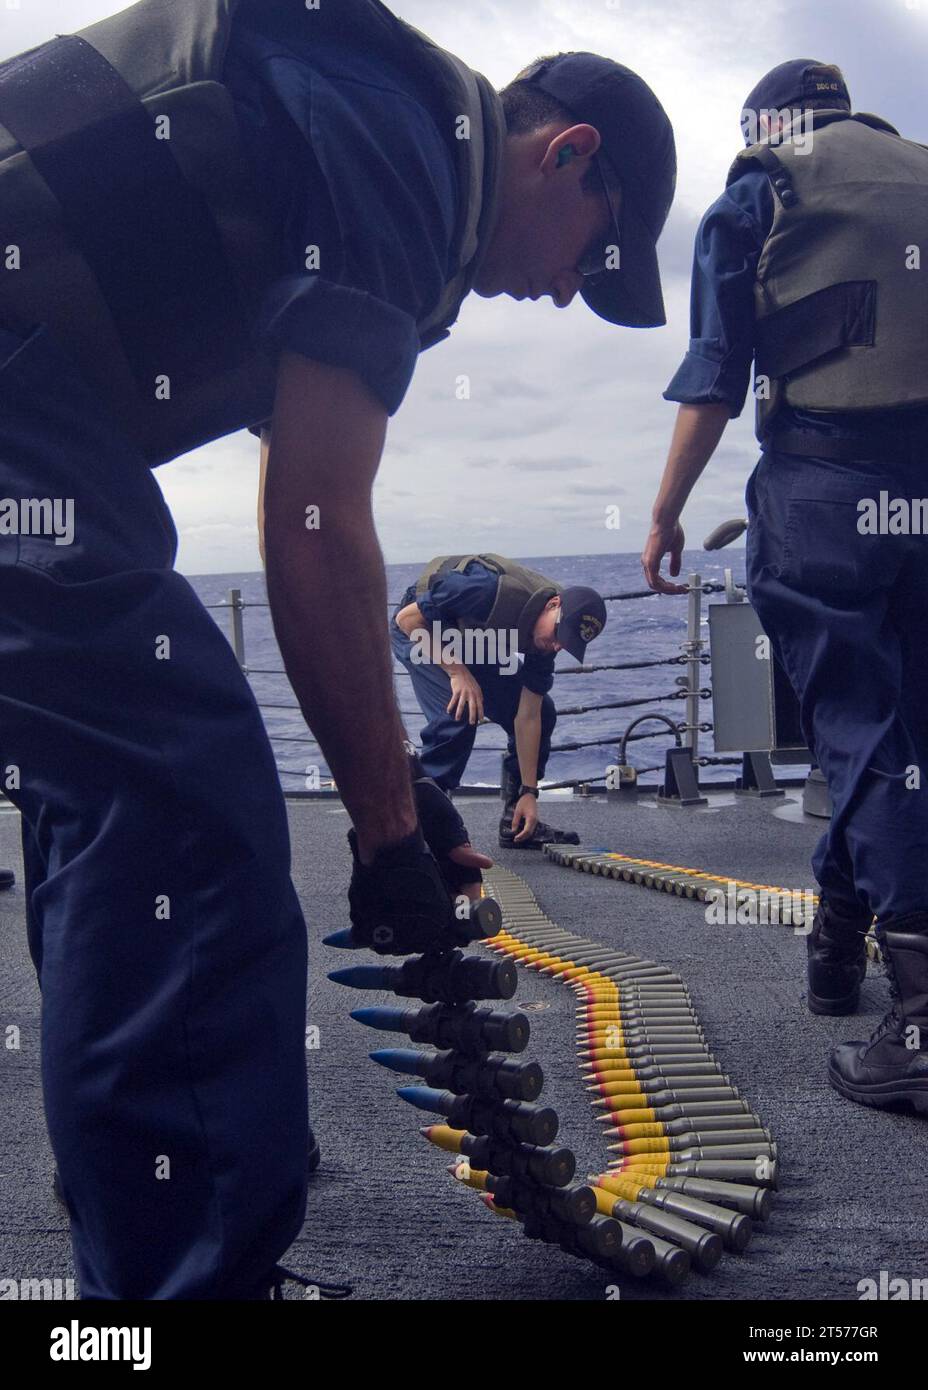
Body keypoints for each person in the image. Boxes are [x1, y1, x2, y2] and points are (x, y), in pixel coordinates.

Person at [0, 0, 675, 1297]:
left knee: (119, 778)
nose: (561, 293)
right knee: (182, 785)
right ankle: (178, 1280)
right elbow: (315, 524)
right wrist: (385, 845)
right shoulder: (410, 142)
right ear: (568, 152)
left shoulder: (350, 120)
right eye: (593, 259)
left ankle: (150, 1237)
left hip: (46, 419)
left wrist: (394, 795)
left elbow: (303, 519)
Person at [641, 59, 928, 1116]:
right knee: (903, 732)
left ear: (767, 121)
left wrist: (666, 511)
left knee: (854, 725)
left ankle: (921, 1016)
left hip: (824, 480)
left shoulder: (761, 187)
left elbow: (716, 375)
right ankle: (834, 948)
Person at [392, 554, 607, 847]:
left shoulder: (547, 642)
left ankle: (517, 822)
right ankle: (420, 826)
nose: (557, 645)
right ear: (552, 604)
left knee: (545, 711)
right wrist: (458, 672)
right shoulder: (485, 590)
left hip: (470, 639)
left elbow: (529, 716)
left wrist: (529, 792)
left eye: (566, 643)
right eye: (559, 632)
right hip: (421, 628)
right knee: (459, 710)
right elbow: (408, 619)